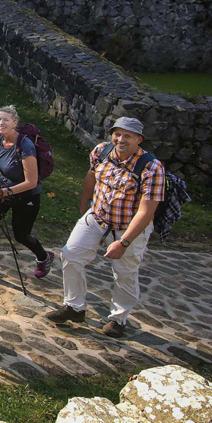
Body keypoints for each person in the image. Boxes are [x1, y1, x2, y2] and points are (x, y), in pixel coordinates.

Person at [44, 117, 164, 338]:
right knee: (70, 255)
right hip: (97, 218)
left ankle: (118, 319)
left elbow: (147, 211)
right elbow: (91, 176)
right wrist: (84, 205)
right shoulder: (101, 151)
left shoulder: (151, 167)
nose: (120, 139)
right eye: (117, 134)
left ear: (139, 139)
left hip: (129, 228)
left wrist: (124, 242)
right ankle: (75, 307)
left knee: (125, 274)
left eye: (127, 135)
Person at [0, 105, 52, 281]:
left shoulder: (25, 146)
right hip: (1, 190)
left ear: (15, 122)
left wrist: (7, 191)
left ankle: (44, 257)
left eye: (6, 119)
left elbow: (31, 181)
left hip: (26, 195)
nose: (1, 122)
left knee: (21, 235)